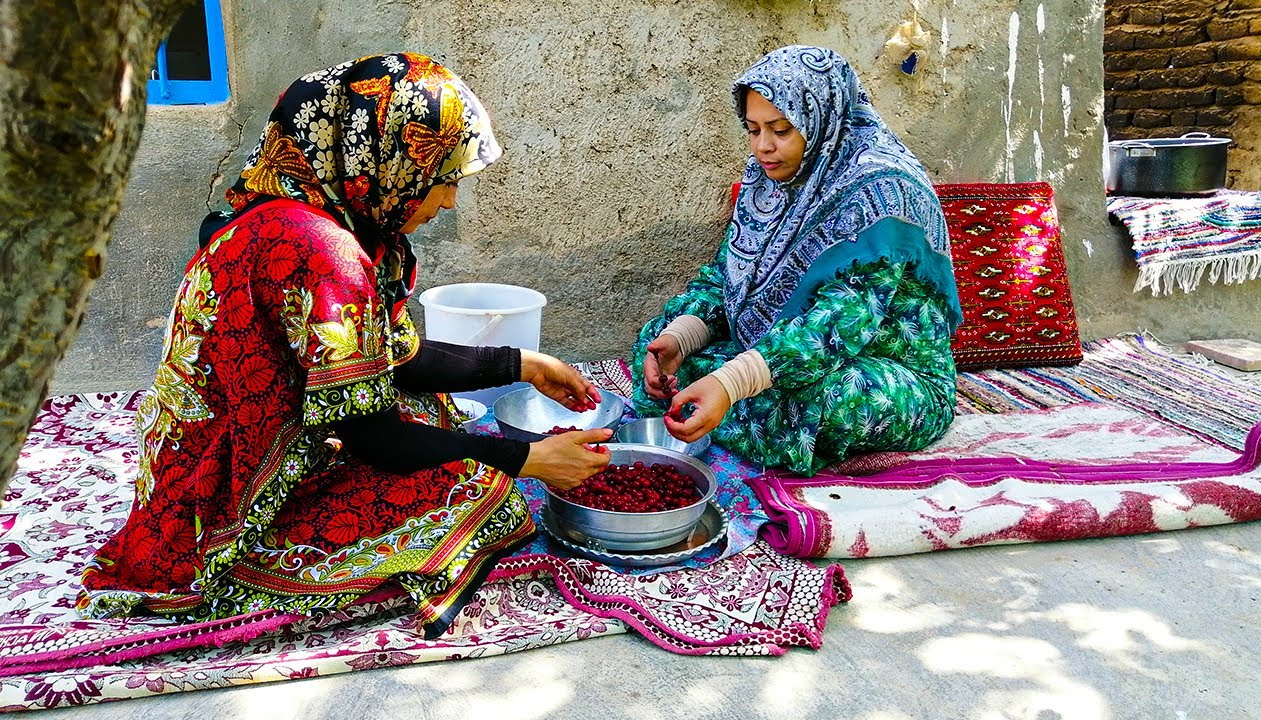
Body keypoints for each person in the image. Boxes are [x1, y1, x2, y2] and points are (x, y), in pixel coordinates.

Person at [77, 53, 611, 635]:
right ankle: (250, 561)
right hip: (218, 488)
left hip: (210, 446)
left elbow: (396, 363)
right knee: (477, 492)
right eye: (445, 179)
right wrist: (527, 460)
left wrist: (525, 365)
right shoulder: (322, 253)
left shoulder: (319, 212)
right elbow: (372, 433)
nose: (450, 201)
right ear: (388, 160)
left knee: (435, 419)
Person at [632, 45, 963, 477]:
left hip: (877, 368)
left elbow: (834, 327)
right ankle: (719, 402)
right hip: (775, 355)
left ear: (819, 120)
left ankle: (722, 406)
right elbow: (725, 278)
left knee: (823, 402)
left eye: (781, 129)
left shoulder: (885, 193)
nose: (763, 148)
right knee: (656, 344)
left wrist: (729, 383)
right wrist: (681, 337)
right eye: (753, 130)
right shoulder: (768, 181)